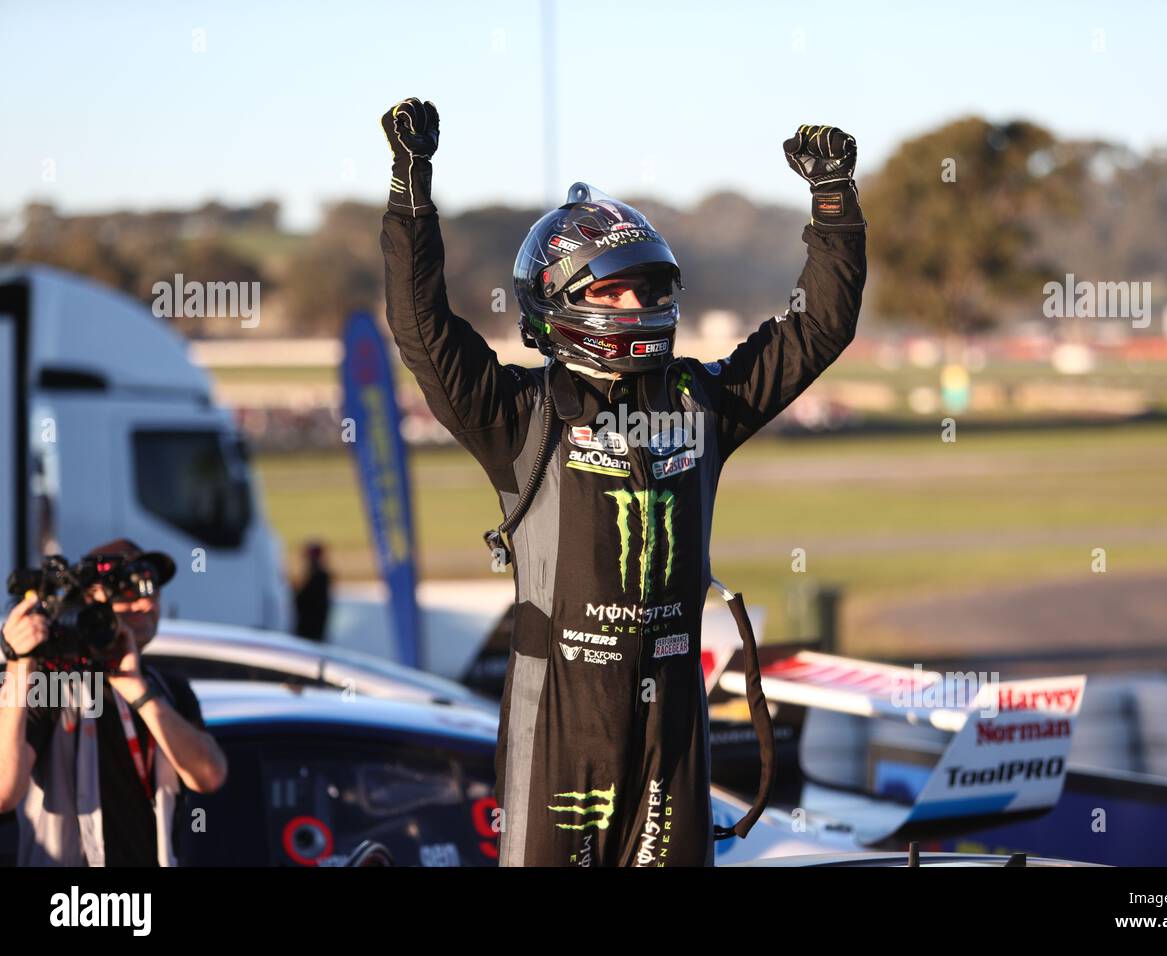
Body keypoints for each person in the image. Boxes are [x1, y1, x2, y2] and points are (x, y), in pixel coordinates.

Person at [380, 98, 866, 866]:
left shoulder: (703, 404)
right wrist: (412, 190)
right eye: (614, 292)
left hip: (673, 723)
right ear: (557, 301)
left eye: (648, 288)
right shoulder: (519, 414)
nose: (640, 306)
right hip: (560, 726)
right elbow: (422, 327)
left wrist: (834, 205)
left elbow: (819, 329)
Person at [0, 539, 227, 866]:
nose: (147, 604)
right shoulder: (52, 683)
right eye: (130, 592)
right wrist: (20, 663)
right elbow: (5, 792)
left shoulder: (167, 688)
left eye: (154, 592)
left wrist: (137, 689)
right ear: (92, 598)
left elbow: (209, 775)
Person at [293, 540, 332, 642]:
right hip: (313, 634)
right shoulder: (320, 577)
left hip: (311, 635)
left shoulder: (319, 578)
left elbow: (302, 601)